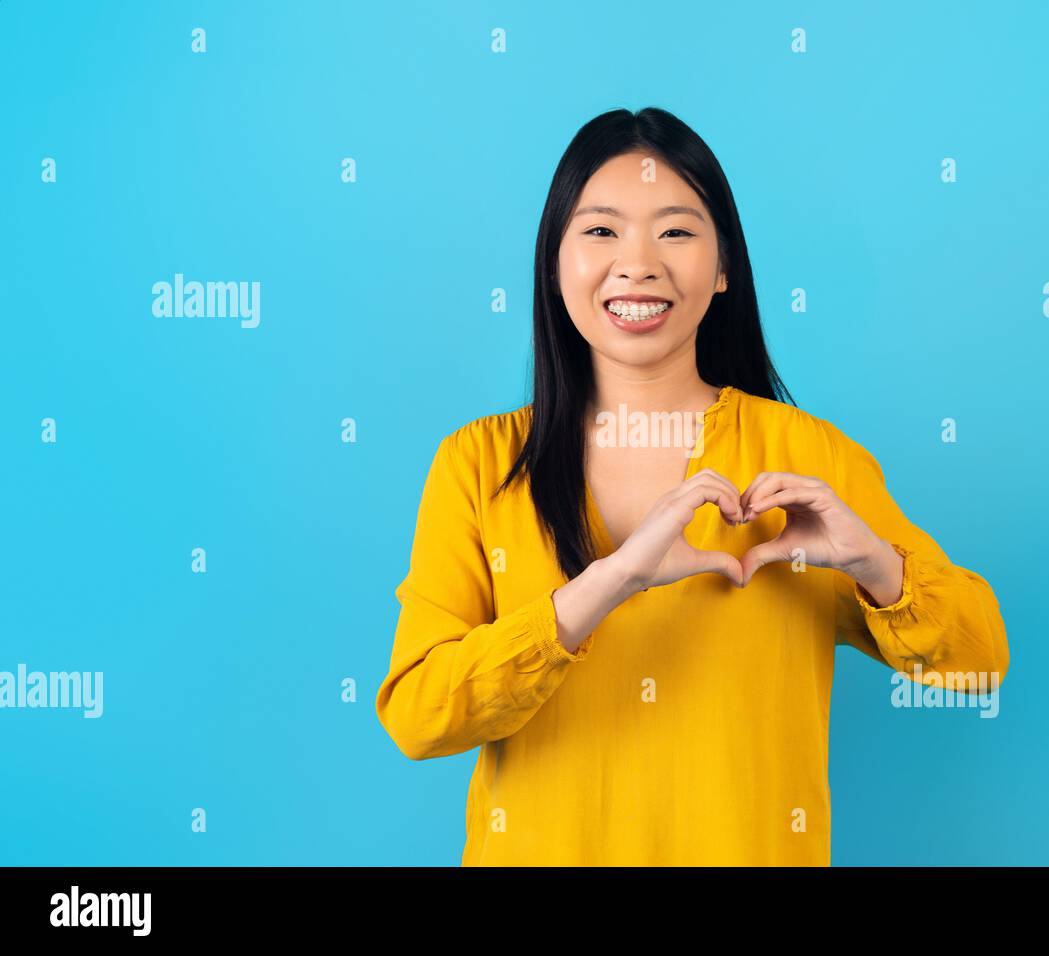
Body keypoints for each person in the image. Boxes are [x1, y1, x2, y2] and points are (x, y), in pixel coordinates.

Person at [375, 107, 1010, 866]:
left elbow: (982, 662)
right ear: (553, 262)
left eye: (675, 231)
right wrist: (609, 583)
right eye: (601, 231)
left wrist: (874, 563)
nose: (638, 263)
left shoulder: (807, 458)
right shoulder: (478, 465)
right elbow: (418, 714)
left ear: (723, 268)